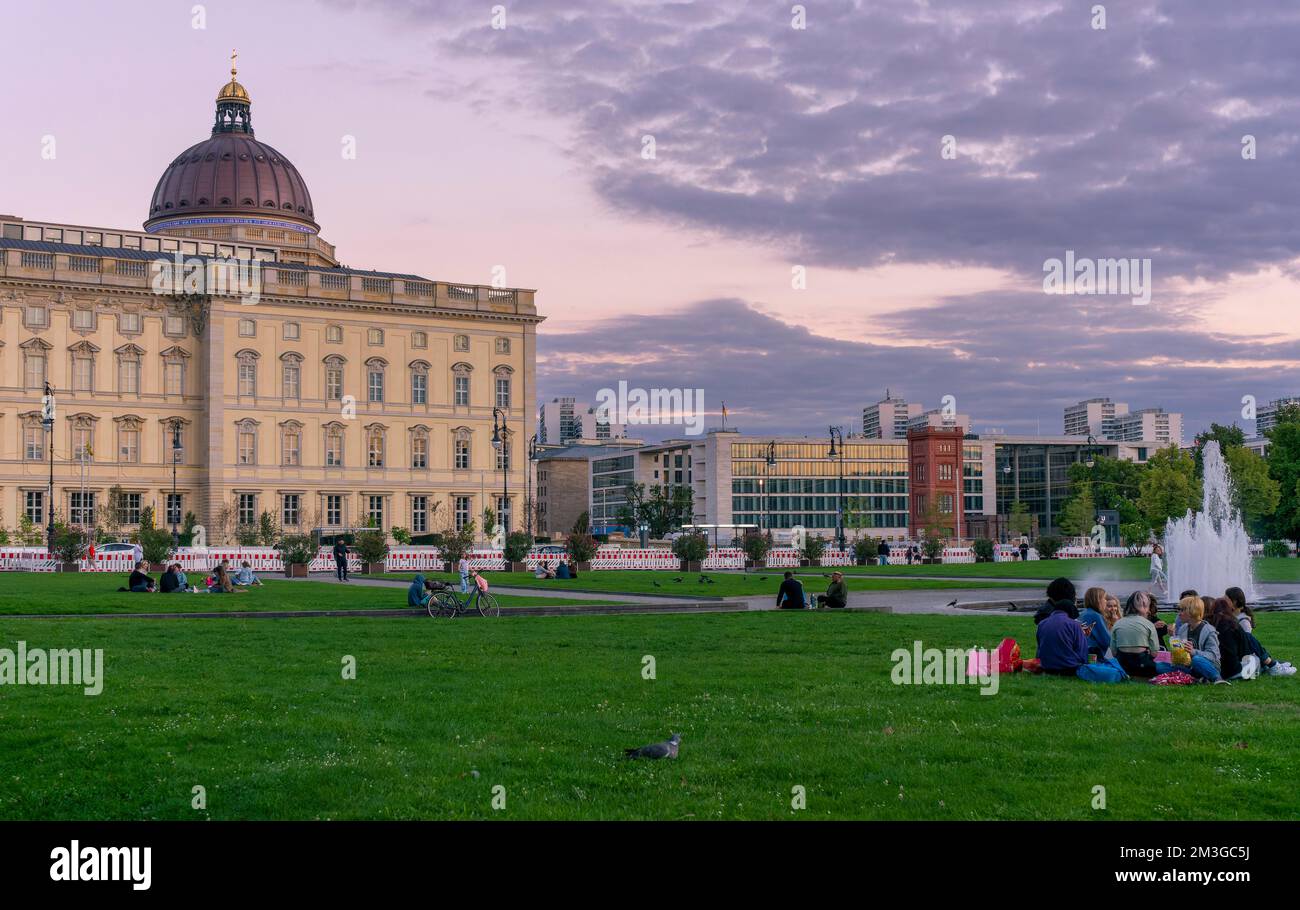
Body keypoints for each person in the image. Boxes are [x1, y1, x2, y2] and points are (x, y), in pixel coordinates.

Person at [1225, 586, 1295, 676]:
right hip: (1236, 654)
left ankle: (1272, 665)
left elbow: (1246, 645)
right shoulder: (1230, 616)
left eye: (1225, 599)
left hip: (1242, 654)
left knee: (1248, 638)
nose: (1223, 601)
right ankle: (1272, 664)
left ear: (1234, 602)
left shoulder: (1243, 621)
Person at [1035, 581, 1088, 675]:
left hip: (1046, 667)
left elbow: (1039, 649)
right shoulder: (1075, 625)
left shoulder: (1042, 623)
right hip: (1069, 668)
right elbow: (1082, 651)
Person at [1112, 592, 1166, 678]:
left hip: (1122, 666)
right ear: (1146, 608)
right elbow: (1154, 654)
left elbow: (1114, 653)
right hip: (1143, 667)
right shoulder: (1149, 624)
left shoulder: (1117, 623)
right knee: (1167, 665)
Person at [1173, 595, 1225, 683]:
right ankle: (1197, 679)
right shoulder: (1183, 628)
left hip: (1208, 665)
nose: (1179, 613)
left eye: (1182, 610)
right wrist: (1176, 650)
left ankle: (1217, 678)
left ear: (1192, 611)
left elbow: (1213, 655)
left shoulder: (1209, 631)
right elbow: (1182, 654)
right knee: (1161, 665)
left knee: (1196, 660)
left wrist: (1193, 651)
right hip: (1189, 665)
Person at [1209, 597, 1253, 681]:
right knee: (1256, 659)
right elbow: (1245, 652)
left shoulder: (1209, 625)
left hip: (1217, 670)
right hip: (1235, 671)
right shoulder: (1234, 625)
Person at [1077, 587, 1113, 659]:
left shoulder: (1083, 613)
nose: (1106, 601)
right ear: (1098, 600)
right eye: (1104, 598)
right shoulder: (1096, 616)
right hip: (1092, 656)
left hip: (1080, 654)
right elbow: (1108, 641)